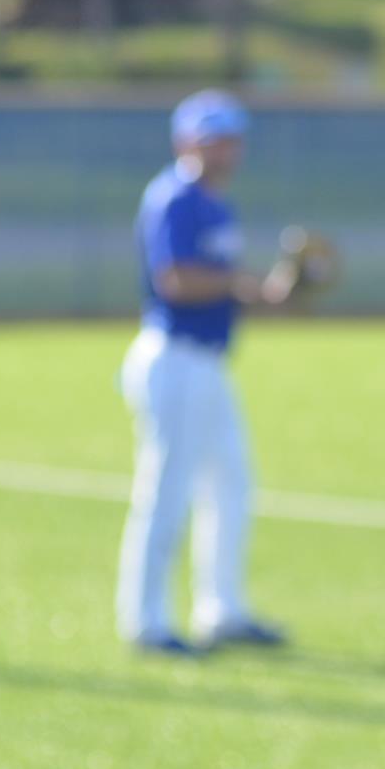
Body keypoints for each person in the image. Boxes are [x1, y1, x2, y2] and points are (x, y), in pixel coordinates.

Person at [117, 89, 293, 655]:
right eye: (215, 140)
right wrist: (244, 287)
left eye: (232, 140)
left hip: (209, 364)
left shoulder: (218, 204)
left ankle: (221, 610)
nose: (226, 151)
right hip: (174, 358)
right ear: (186, 142)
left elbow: (218, 287)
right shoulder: (175, 197)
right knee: (166, 491)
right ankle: (147, 623)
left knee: (232, 483)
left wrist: (270, 292)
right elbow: (176, 280)